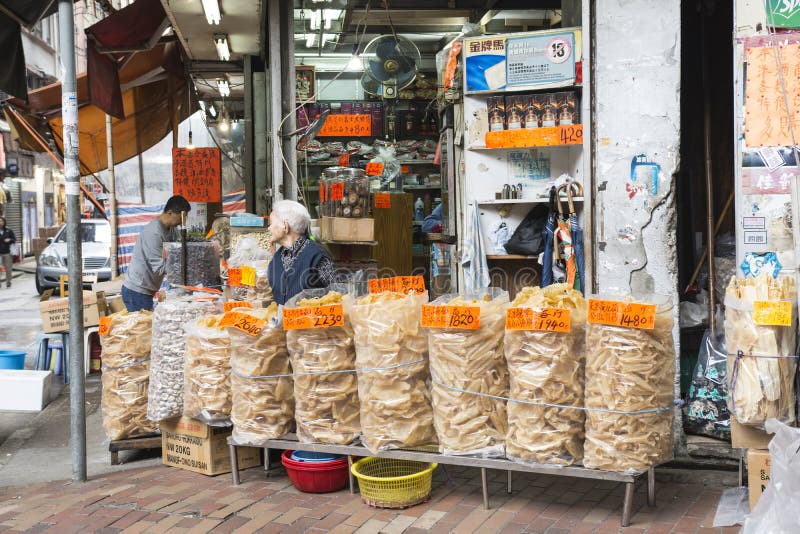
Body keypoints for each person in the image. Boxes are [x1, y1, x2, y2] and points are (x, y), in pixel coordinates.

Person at [122, 195, 191, 312]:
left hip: (147, 289)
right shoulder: (154, 233)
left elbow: (179, 247)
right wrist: (185, 268)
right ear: (170, 212)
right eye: (180, 218)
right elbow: (159, 267)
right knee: (142, 328)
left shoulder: (171, 229)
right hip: (137, 291)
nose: (181, 223)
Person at [267, 200, 335, 305]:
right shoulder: (276, 259)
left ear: (285, 226)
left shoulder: (317, 256)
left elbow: (336, 295)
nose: (269, 228)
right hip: (281, 321)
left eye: (271, 223)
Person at [0, 216, 15, 288]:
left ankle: (8, 282)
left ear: (4, 222)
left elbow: (14, 239)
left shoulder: (9, 230)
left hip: (7, 252)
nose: (0, 223)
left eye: (1, 221)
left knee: (8, 268)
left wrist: (10, 240)